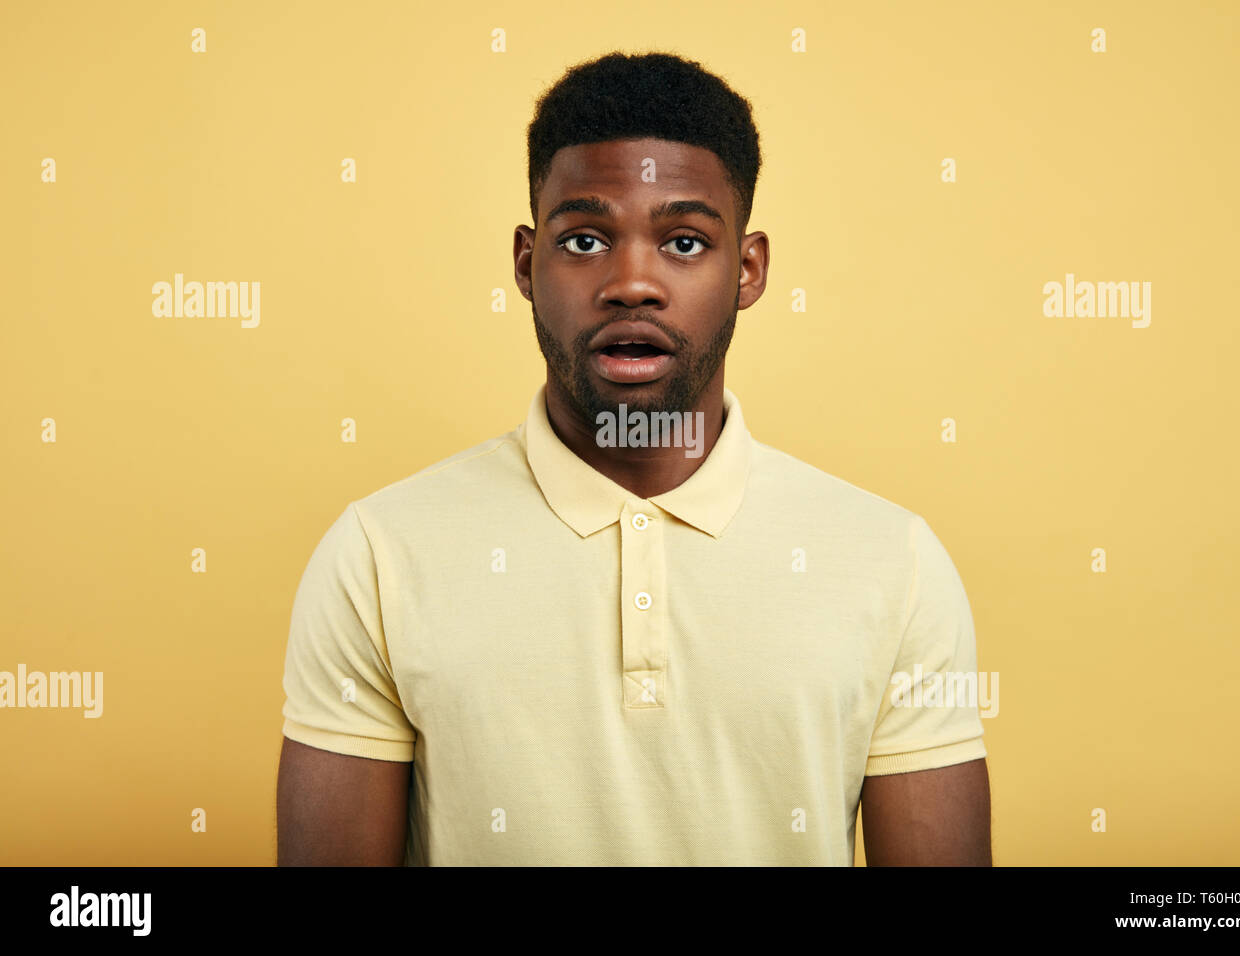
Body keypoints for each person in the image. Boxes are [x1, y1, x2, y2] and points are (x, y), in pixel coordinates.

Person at [276, 50, 990, 866]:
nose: (632, 283)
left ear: (749, 270)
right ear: (524, 263)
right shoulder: (377, 555)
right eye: (585, 239)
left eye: (684, 242)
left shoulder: (892, 562)